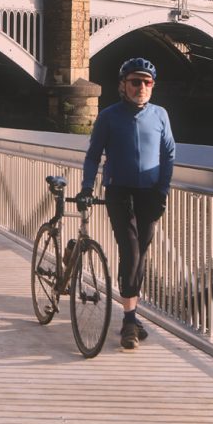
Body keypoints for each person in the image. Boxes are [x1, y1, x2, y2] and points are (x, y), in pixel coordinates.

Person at [80, 57, 175, 350]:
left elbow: (169, 154)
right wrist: (86, 187)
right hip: (119, 191)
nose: (142, 87)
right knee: (131, 251)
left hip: (150, 193)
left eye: (147, 83)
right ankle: (130, 319)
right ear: (123, 85)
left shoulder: (160, 115)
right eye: (136, 82)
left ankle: (131, 314)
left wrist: (162, 191)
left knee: (140, 253)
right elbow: (93, 155)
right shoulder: (109, 116)